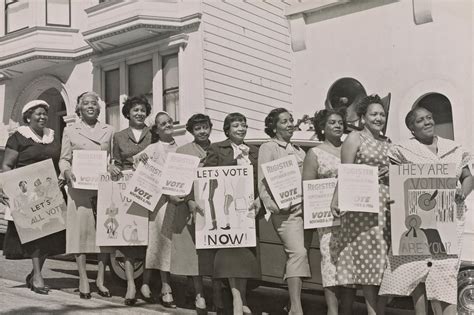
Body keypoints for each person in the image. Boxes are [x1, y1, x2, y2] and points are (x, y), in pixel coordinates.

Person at [379, 106, 473, 315]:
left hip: (448, 221)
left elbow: (467, 177)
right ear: (412, 128)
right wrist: (389, 176)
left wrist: (462, 193)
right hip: (415, 220)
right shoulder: (402, 150)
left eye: (429, 117)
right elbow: (393, 179)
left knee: (445, 273)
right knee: (416, 271)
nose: (427, 122)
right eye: (420, 120)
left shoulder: (453, 149)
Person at [331, 95, 391, 315]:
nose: (379, 118)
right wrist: (336, 199)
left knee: (383, 262)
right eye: (374, 114)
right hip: (362, 208)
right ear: (363, 118)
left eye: (382, 114)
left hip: (385, 207)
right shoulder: (355, 138)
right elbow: (345, 172)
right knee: (368, 261)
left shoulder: (388, 142)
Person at [1, 100, 65, 295]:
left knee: (49, 234)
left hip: (48, 192)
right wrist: (4, 188)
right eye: (38, 113)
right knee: (35, 234)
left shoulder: (52, 136)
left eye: (45, 113)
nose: (43, 117)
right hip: (25, 193)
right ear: (28, 117)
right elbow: (7, 166)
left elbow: (59, 161)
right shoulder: (19, 138)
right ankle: (37, 276)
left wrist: (62, 175)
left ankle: (34, 274)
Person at [203, 112, 261, 315]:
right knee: (229, 253)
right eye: (236, 125)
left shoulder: (253, 151)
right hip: (225, 208)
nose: (241, 129)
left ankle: (242, 296)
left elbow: (258, 180)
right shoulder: (217, 148)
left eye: (244, 125)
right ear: (227, 129)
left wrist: (258, 198)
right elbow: (209, 177)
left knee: (244, 254)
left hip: (247, 208)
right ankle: (237, 298)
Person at [59, 91, 114, 299]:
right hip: (79, 187)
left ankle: (100, 278)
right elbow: (64, 158)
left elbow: (112, 159)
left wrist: (111, 167)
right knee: (79, 232)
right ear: (79, 108)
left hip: (102, 188)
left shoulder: (108, 130)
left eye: (94, 103)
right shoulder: (70, 131)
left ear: (98, 108)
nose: (90, 106)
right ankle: (83, 277)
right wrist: (66, 171)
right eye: (86, 103)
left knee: (104, 232)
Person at [302, 108, 357, 315]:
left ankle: (348, 311)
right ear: (322, 128)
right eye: (332, 122)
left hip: (352, 216)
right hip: (327, 219)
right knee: (331, 263)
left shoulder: (350, 148)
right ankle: (332, 311)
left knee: (350, 263)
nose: (337, 126)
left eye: (340, 122)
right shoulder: (314, 153)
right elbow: (308, 187)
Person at [257, 108, 310, 315]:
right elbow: (263, 181)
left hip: (305, 210)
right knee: (298, 253)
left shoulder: (299, 150)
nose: (290, 124)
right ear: (274, 126)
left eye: (291, 121)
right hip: (285, 213)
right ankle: (296, 309)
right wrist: (274, 205)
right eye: (285, 121)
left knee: (299, 256)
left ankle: (291, 303)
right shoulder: (269, 147)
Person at [109, 95, 154, 305]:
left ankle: (145, 282)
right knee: (129, 239)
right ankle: (130, 285)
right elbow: (115, 161)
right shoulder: (118, 136)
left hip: (150, 188)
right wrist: (112, 167)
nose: (139, 113)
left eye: (143, 110)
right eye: (135, 110)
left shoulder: (153, 134)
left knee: (148, 237)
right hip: (127, 190)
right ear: (128, 113)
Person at [134, 111, 181, 309]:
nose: (168, 125)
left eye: (170, 121)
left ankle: (145, 283)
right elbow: (139, 165)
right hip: (160, 203)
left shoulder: (180, 147)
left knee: (166, 245)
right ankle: (165, 287)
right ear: (156, 129)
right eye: (163, 123)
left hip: (178, 202)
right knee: (161, 243)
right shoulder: (153, 148)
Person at [170, 113, 213, 314]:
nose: (202, 131)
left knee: (209, 255)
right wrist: (188, 200)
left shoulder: (217, 149)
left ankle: (198, 290)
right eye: (198, 128)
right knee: (193, 254)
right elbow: (177, 182)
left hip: (211, 209)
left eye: (205, 127)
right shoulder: (183, 151)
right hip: (189, 207)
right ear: (191, 131)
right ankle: (198, 294)